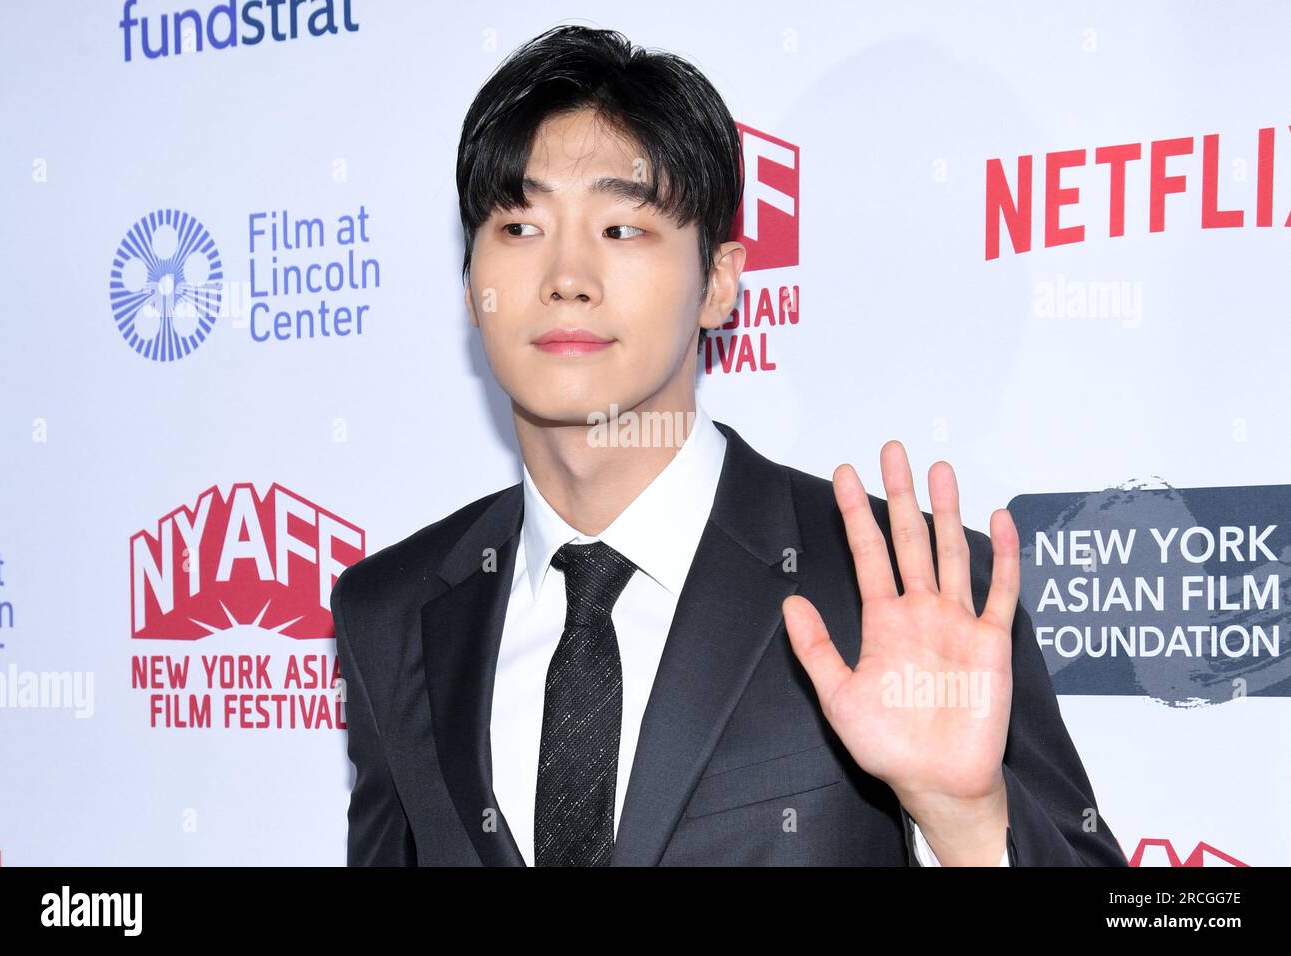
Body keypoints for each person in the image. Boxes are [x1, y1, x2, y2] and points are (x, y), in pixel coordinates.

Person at [331, 24, 1128, 867]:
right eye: (520, 227)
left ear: (718, 282)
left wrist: (965, 821)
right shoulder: (394, 611)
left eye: (622, 229)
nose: (566, 276)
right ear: (470, 287)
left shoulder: (900, 589)